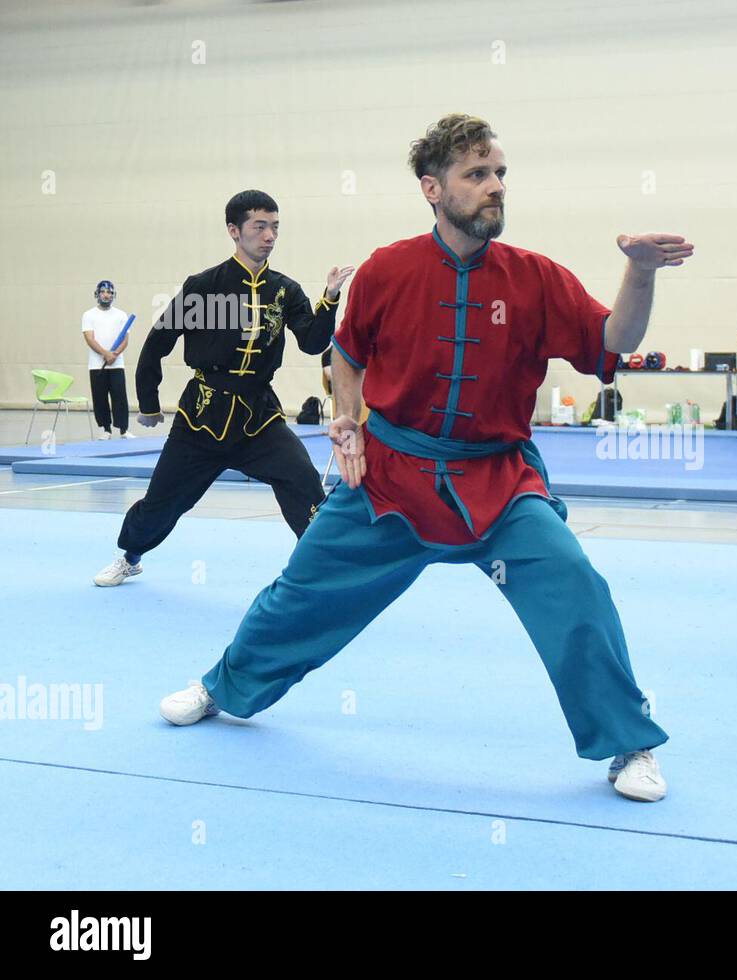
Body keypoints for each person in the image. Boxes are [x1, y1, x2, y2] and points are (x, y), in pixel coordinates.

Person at [156, 114, 693, 803]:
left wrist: (640, 271)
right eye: (477, 174)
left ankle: (630, 743)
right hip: (391, 478)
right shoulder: (388, 269)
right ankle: (221, 687)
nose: (495, 186)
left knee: (576, 585)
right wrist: (346, 419)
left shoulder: (535, 278)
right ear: (432, 189)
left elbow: (614, 337)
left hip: (500, 482)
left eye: (500, 173)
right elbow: (345, 354)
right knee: (301, 593)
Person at [92, 190, 354, 587]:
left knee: (302, 479)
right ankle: (131, 556)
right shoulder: (204, 287)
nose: (269, 236)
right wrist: (147, 401)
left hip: (258, 415)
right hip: (202, 415)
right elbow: (157, 344)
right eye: (259, 227)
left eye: (275, 227)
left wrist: (329, 299)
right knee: (163, 504)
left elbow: (313, 342)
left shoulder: (285, 291)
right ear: (234, 230)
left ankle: (325, 567)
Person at [82, 280, 133, 440]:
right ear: (97, 294)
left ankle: (124, 430)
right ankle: (106, 429)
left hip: (117, 364)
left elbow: (125, 338)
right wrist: (105, 353)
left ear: (113, 295)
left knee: (120, 397)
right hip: (97, 365)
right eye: (103, 291)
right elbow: (89, 338)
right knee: (100, 397)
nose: (106, 295)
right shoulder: (89, 315)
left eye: (110, 292)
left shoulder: (121, 315)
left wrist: (115, 354)